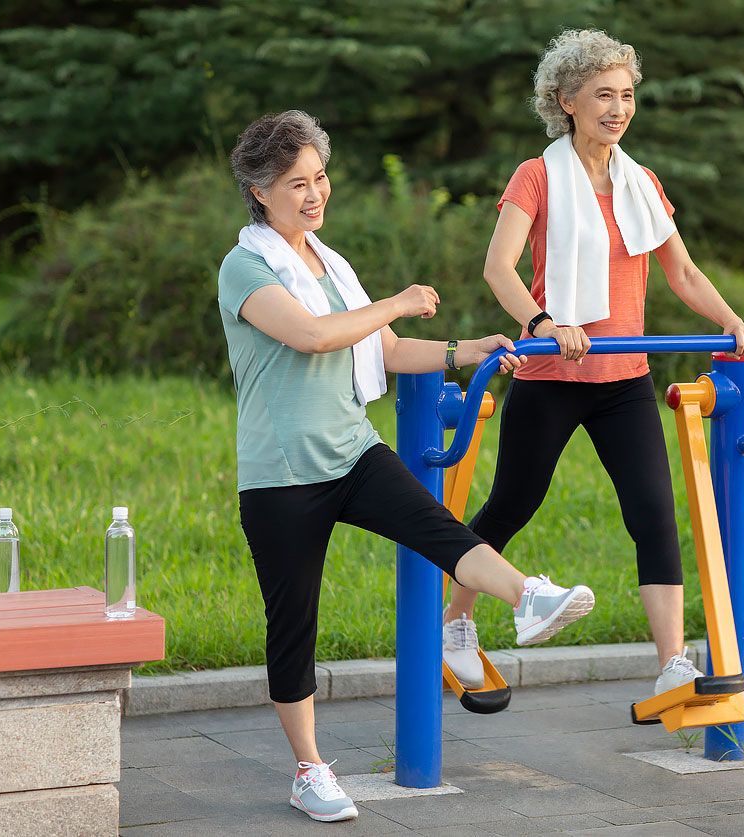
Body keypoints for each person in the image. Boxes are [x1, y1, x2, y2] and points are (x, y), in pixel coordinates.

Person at [220, 110, 596, 823]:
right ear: (260, 191)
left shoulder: (328, 264)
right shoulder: (245, 266)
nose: (314, 193)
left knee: (439, 528)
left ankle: (528, 597)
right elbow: (311, 335)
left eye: (320, 177)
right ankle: (309, 769)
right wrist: (396, 301)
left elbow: (386, 349)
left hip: (351, 450)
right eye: (297, 183)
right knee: (293, 624)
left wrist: (465, 349)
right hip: (281, 475)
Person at [440, 29, 744, 698]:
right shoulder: (536, 176)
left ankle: (672, 664)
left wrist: (732, 322)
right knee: (512, 504)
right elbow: (498, 268)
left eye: (626, 96)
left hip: (623, 379)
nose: (618, 109)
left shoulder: (640, 182)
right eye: (602, 96)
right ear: (566, 101)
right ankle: (453, 625)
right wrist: (542, 324)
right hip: (552, 376)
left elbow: (682, 272)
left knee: (653, 516)